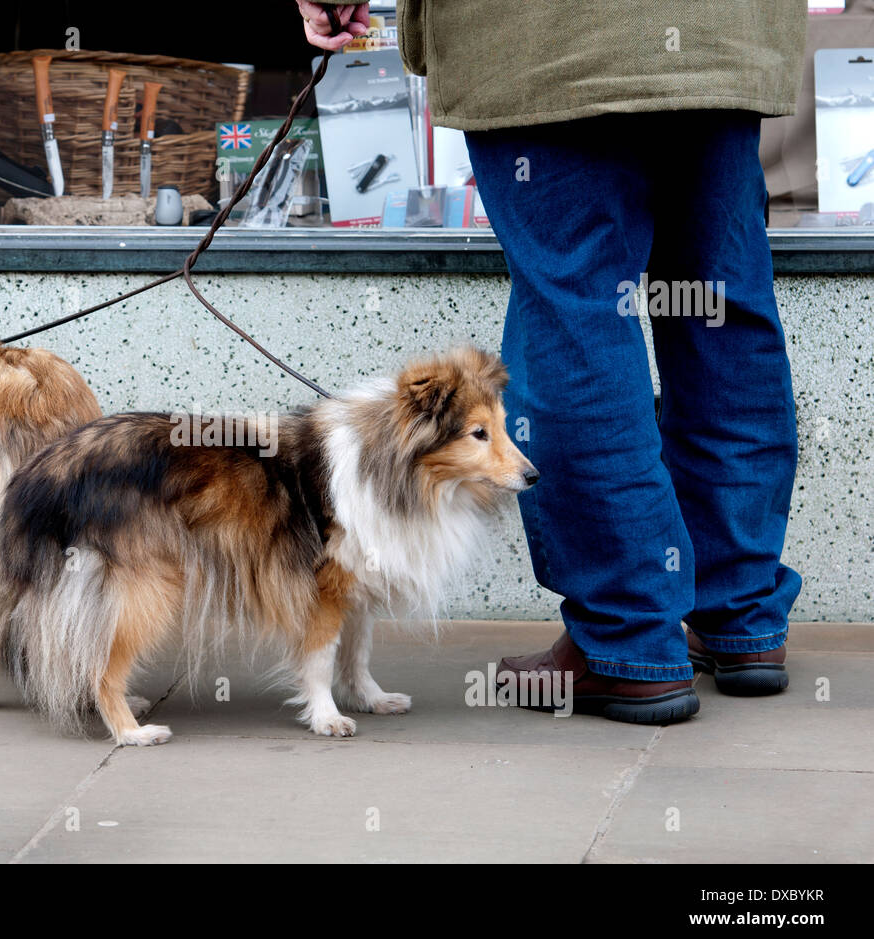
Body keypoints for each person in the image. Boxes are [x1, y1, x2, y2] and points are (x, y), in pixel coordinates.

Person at [296, 1, 807, 723]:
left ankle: (627, 639)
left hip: (553, 36)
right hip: (723, 29)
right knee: (718, 309)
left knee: (579, 312)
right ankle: (741, 615)